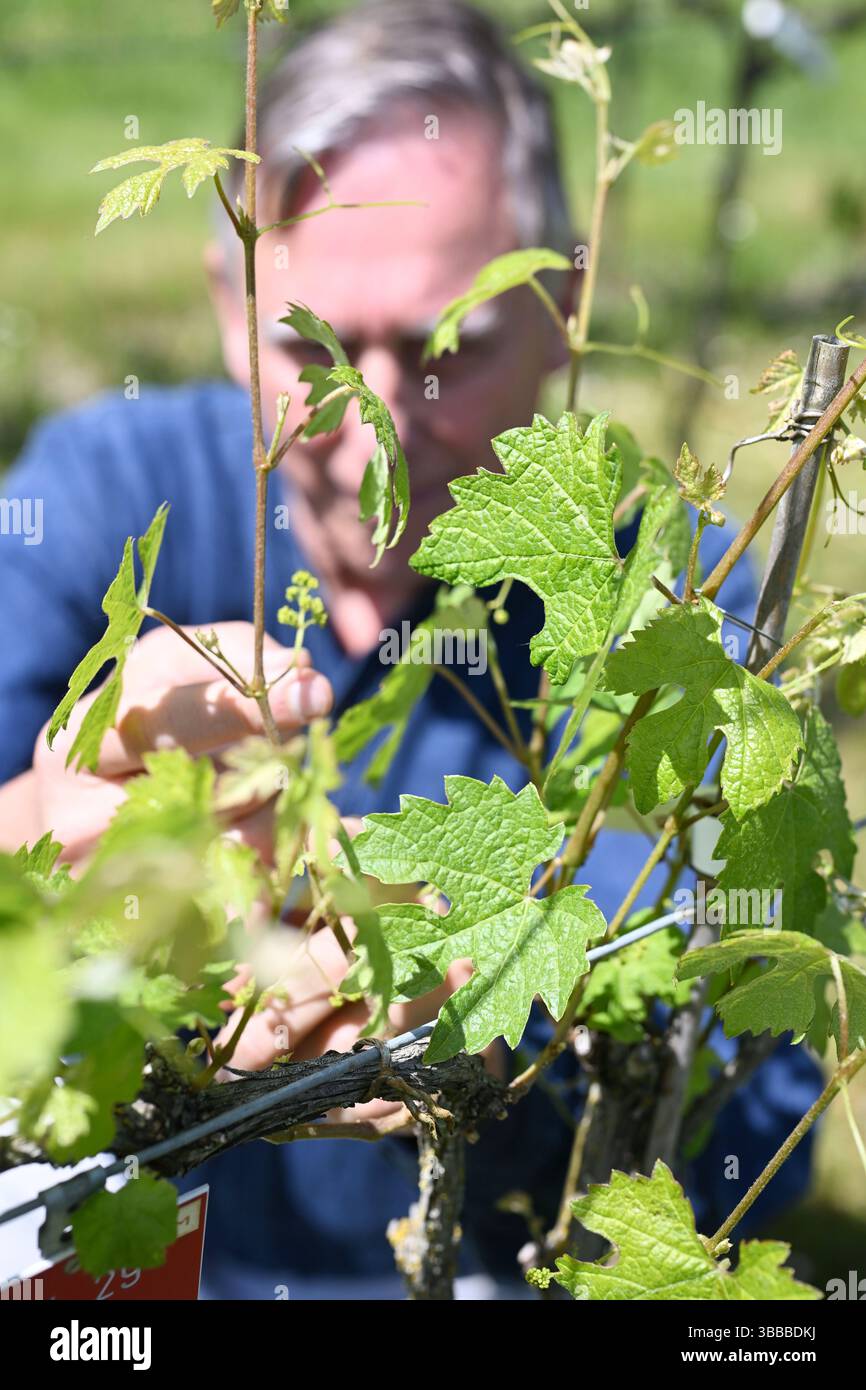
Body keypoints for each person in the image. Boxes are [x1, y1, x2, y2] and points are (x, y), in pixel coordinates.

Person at [0, 0, 822, 1299]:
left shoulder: (661, 632)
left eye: (449, 347)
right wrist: (46, 823)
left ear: (563, 309)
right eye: (311, 346)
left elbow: (753, 1073)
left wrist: (508, 1010)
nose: (377, 424)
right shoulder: (105, 505)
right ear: (232, 301)